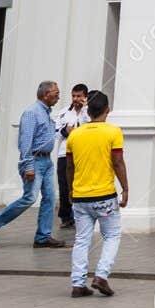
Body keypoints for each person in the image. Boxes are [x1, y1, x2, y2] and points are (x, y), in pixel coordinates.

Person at [0, 81, 65, 249]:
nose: (58, 97)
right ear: (45, 95)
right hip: (34, 161)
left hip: (47, 161)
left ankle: (43, 236)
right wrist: (27, 165)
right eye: (55, 94)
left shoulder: (47, 113)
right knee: (30, 198)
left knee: (50, 198)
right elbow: (25, 142)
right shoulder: (31, 113)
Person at [66, 90, 128, 297]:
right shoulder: (113, 132)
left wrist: (70, 190)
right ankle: (101, 276)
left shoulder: (75, 134)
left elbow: (69, 167)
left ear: (88, 110)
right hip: (105, 196)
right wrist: (125, 188)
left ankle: (77, 283)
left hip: (80, 196)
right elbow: (117, 162)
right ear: (107, 110)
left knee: (82, 239)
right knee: (112, 235)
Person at [53, 83, 90, 230]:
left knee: (81, 184)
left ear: (85, 97)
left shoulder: (88, 112)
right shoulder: (63, 112)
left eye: (79, 96)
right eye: (74, 96)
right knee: (64, 185)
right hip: (64, 153)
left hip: (83, 153)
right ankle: (66, 216)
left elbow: (91, 127)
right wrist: (65, 130)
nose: (76, 99)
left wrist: (85, 109)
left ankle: (81, 215)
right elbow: (55, 132)